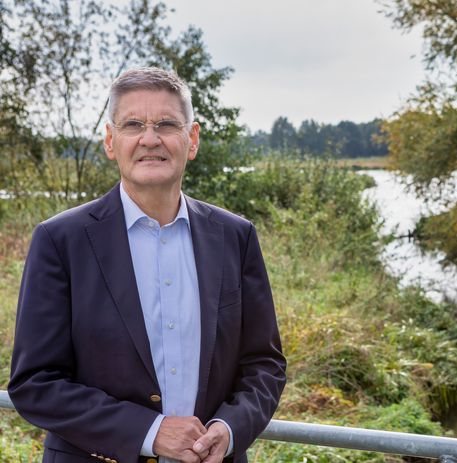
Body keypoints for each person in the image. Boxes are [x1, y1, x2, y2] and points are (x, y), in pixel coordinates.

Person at [8, 67, 286, 463]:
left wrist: (230, 429)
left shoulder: (234, 237)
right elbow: (35, 384)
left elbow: (264, 363)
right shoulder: (60, 240)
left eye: (167, 124)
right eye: (133, 124)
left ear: (192, 140)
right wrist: (149, 432)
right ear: (110, 141)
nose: (150, 139)